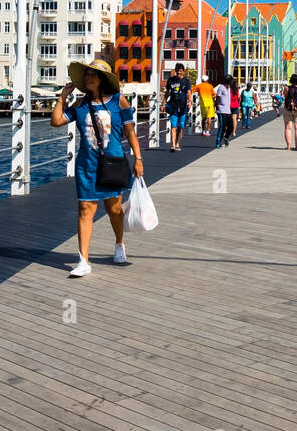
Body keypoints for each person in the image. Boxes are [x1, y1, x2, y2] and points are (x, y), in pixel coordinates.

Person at [50, 57, 143, 278]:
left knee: (114, 210)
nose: (87, 78)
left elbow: (130, 132)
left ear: (101, 79)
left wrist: (138, 158)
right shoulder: (80, 105)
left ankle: (119, 244)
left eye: (92, 75)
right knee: (85, 211)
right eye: (87, 75)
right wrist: (63, 97)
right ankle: (84, 260)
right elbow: (56, 121)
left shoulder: (119, 102)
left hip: (114, 164)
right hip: (87, 167)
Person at [164, 62, 191, 152]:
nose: (179, 73)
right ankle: (173, 145)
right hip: (173, 106)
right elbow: (167, 92)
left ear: (183, 71)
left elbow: (189, 92)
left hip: (183, 107)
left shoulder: (186, 81)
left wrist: (189, 102)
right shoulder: (171, 80)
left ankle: (178, 143)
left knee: (181, 127)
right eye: (177, 71)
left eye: (180, 71)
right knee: (173, 126)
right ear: (175, 71)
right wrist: (163, 103)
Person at [281, 73, 297, 150]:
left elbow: (285, 95)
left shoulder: (286, 88)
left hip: (288, 109)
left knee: (288, 128)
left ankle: (288, 146)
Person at [214, 75, 234, 148]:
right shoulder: (221, 88)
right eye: (231, 80)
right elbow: (218, 98)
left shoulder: (229, 88)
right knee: (222, 127)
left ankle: (226, 137)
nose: (232, 82)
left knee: (230, 127)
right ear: (228, 81)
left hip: (228, 111)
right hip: (221, 111)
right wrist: (217, 108)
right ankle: (218, 141)